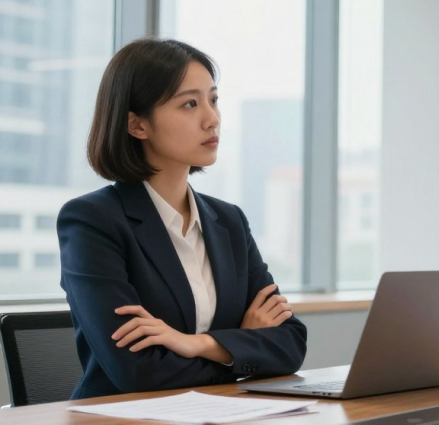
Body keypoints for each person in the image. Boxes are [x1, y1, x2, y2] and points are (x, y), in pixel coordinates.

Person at [57, 38, 307, 399]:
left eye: (214, 100)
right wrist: (240, 345)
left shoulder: (229, 221)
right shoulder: (92, 221)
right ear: (137, 125)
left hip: (217, 421)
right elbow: (136, 370)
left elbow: (290, 344)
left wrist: (196, 344)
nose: (212, 118)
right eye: (190, 104)